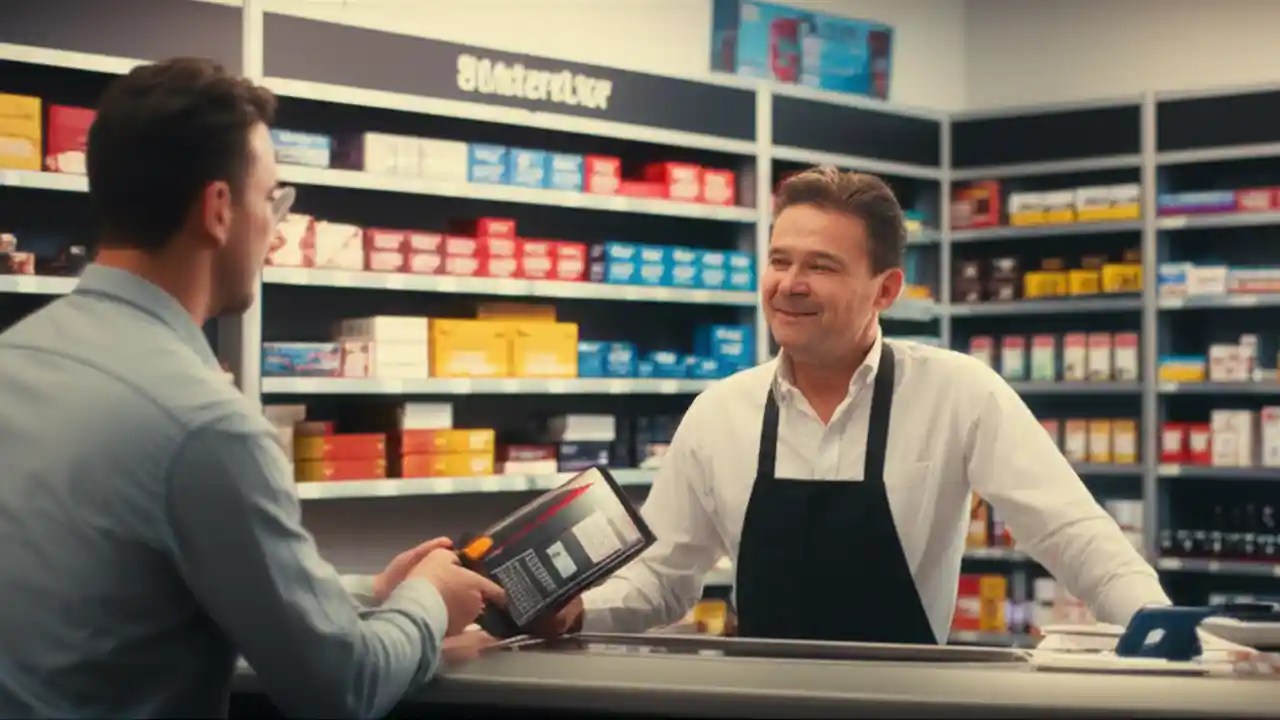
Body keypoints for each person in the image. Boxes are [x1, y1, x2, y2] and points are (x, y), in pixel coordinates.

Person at [0, 58, 503, 718]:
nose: (276, 226)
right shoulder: (206, 426)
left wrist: (368, 596)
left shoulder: (16, 356)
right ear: (217, 210)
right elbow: (340, 688)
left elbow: (128, 600)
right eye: (272, 199)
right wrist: (429, 601)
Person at [540, 166, 1171, 643]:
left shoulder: (958, 394)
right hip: (757, 704)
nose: (790, 285)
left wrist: (1164, 634)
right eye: (780, 261)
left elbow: (1074, 535)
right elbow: (663, 577)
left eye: (822, 266)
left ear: (886, 289)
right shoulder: (720, 413)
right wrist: (577, 611)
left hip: (909, 707)